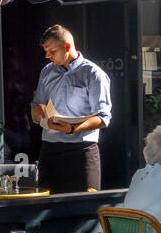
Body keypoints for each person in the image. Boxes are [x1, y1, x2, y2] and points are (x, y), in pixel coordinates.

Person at [31, 25, 111, 193]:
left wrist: (75, 128)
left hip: (83, 150)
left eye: (52, 51)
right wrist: (38, 113)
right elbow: (37, 105)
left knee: (85, 207)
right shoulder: (46, 72)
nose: (47, 56)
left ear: (67, 47)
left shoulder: (94, 74)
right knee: (45, 207)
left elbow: (104, 118)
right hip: (50, 149)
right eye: (46, 51)